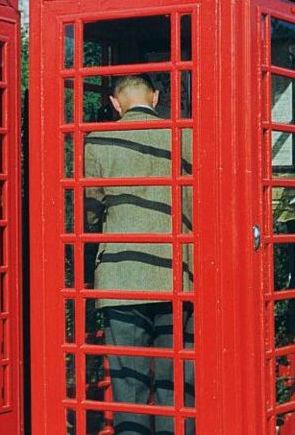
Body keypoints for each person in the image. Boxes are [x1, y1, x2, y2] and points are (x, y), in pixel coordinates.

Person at [84, 74, 192, 435]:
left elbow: (89, 212)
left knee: (129, 386)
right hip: (176, 271)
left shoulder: (98, 140)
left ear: (115, 103)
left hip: (121, 275)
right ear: (156, 97)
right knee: (174, 387)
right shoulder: (183, 135)